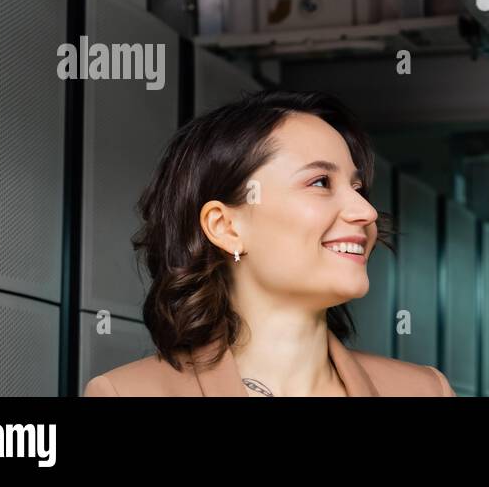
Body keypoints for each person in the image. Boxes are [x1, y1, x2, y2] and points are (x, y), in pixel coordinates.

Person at [84, 90, 453, 397]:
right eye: (320, 182)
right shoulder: (125, 394)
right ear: (225, 226)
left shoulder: (424, 390)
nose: (367, 212)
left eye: (358, 188)